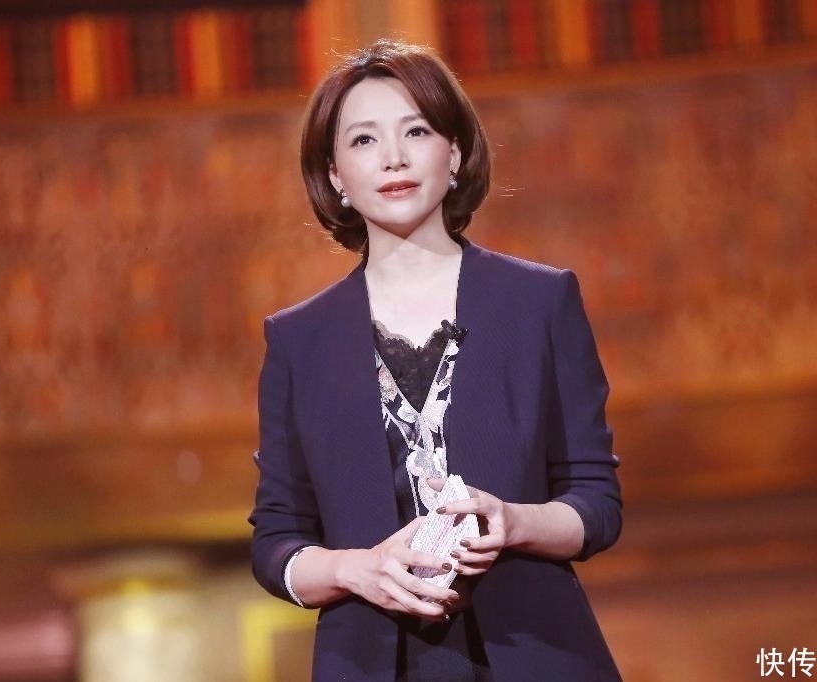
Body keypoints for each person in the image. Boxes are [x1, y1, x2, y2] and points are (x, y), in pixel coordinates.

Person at [247, 38, 623, 681]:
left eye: (416, 131)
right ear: (335, 175)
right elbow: (275, 542)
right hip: (371, 661)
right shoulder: (298, 340)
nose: (393, 157)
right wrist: (356, 569)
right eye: (364, 139)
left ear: (453, 153)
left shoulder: (539, 302)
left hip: (533, 652)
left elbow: (597, 503)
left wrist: (514, 522)